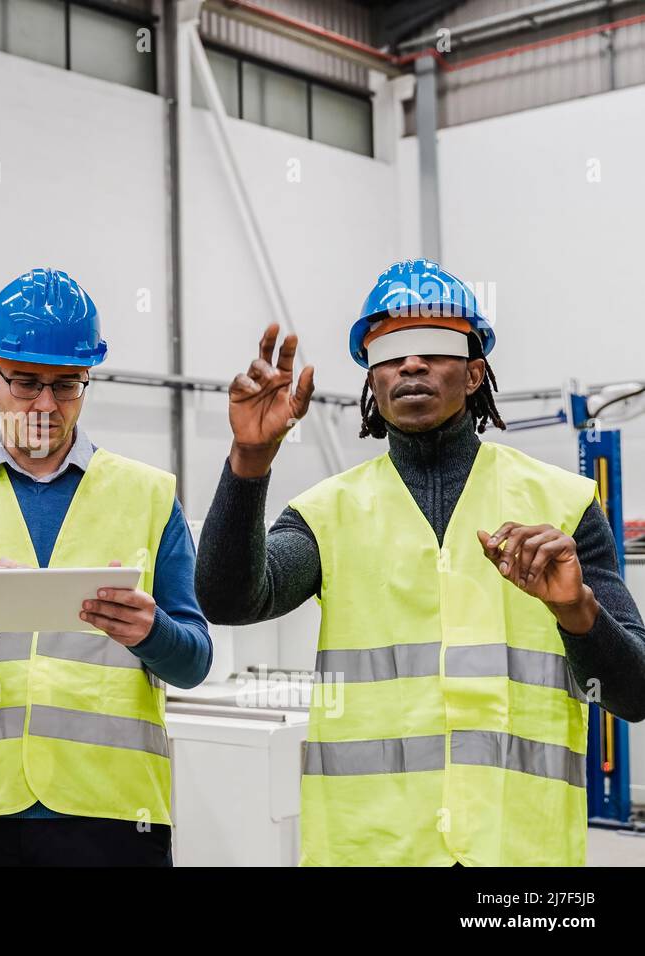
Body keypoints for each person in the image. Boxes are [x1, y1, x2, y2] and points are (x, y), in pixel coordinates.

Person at [195, 258, 645, 866]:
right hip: (371, 850)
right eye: (390, 349)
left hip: (516, 856)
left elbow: (634, 693)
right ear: (373, 379)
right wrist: (249, 461)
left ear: (474, 370)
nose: (411, 362)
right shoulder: (329, 513)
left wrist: (577, 612)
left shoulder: (562, 508)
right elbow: (227, 601)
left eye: (433, 346)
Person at [0, 268, 212, 866]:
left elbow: (194, 663)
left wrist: (152, 633)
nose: (46, 405)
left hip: (113, 814)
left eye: (67, 385)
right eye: (26, 382)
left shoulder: (151, 495)